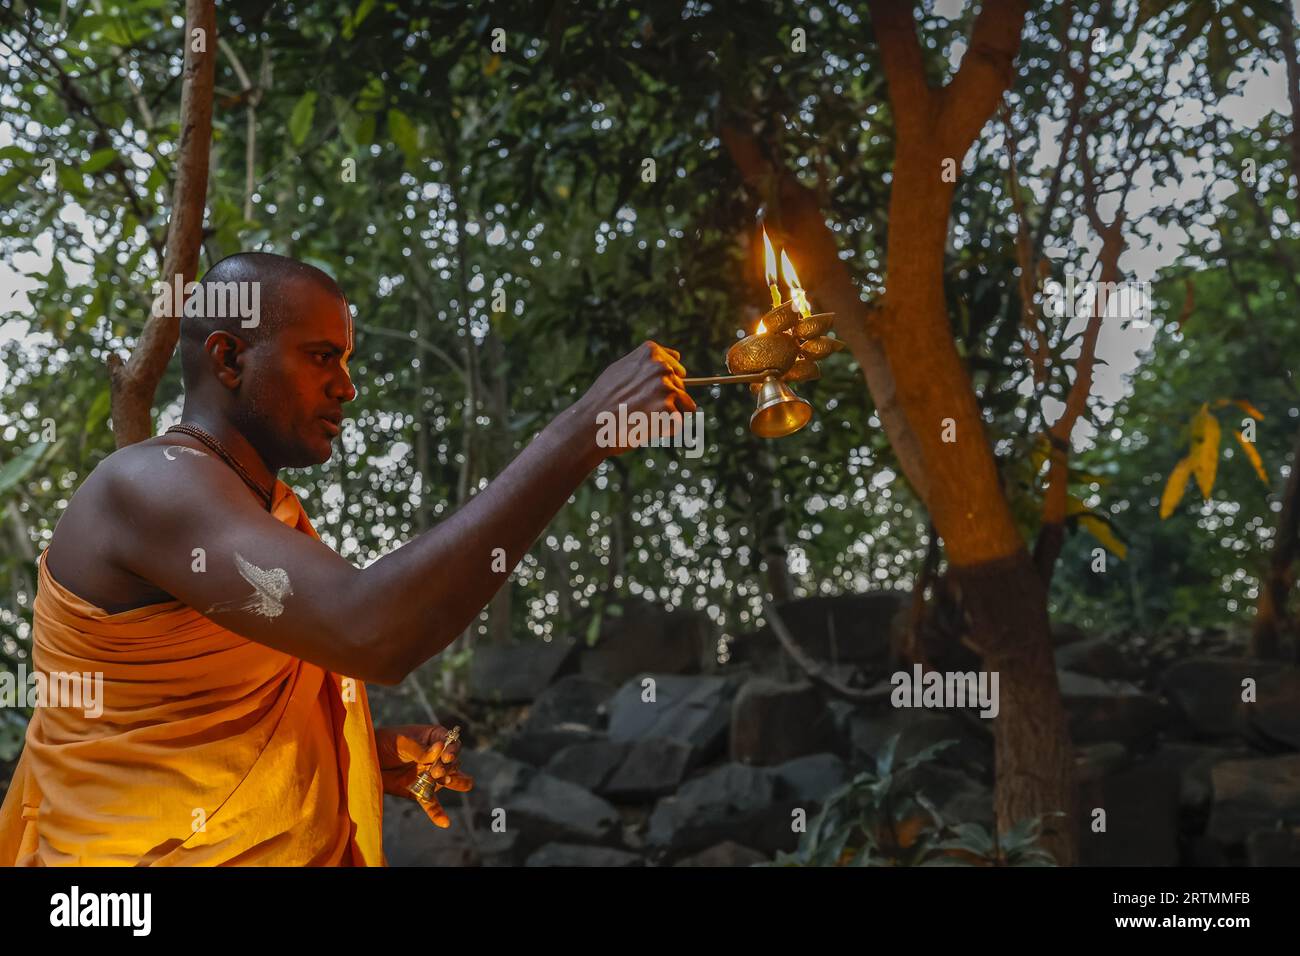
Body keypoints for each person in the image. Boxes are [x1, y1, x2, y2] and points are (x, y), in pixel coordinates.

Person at [0, 251, 696, 865]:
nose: (347, 387)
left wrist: (355, 746)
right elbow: (370, 630)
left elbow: (197, 714)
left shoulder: (258, 509)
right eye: (322, 356)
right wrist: (578, 432)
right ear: (229, 358)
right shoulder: (151, 484)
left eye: (347, 360)